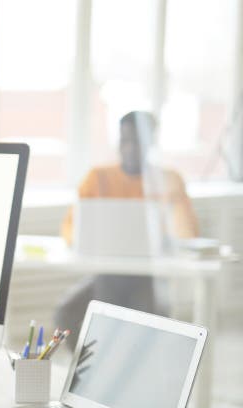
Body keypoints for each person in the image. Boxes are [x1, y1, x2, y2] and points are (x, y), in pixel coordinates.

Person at [55, 111, 199, 352]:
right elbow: (70, 229)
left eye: (138, 141)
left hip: (148, 276)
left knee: (140, 324)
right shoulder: (97, 178)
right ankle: (88, 365)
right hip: (107, 273)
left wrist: (165, 234)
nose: (131, 147)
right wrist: (88, 242)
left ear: (151, 143)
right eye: (125, 140)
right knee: (66, 312)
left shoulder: (168, 180)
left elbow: (188, 234)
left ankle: (120, 363)